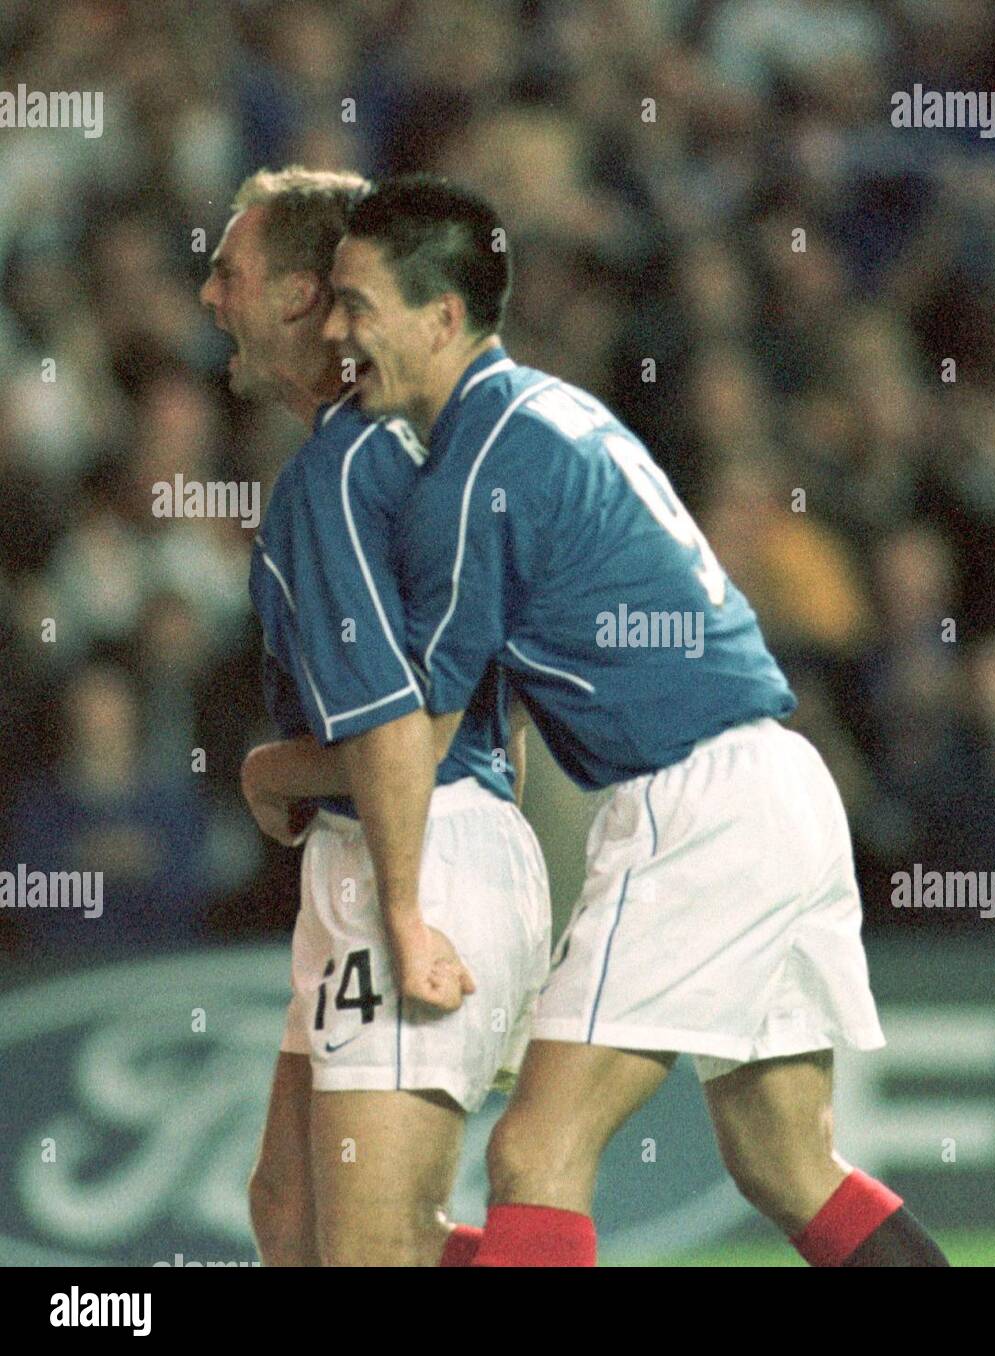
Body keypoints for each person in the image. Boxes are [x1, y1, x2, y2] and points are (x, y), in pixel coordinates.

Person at [320, 173, 948, 1267]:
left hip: (692, 806)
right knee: (787, 1164)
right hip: (779, 785)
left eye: (357, 305)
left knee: (535, 1155)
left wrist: (290, 783)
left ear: (440, 317)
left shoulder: (475, 472)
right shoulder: (552, 411)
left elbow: (423, 735)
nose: (336, 332)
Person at [199, 168, 550, 1267]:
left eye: (228, 272)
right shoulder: (419, 448)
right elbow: (483, 689)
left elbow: (395, 723)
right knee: (293, 1218)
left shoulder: (340, 469)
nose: (209, 296)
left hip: (411, 856)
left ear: (302, 295)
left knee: (369, 1250)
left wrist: (401, 905)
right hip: (428, 840)